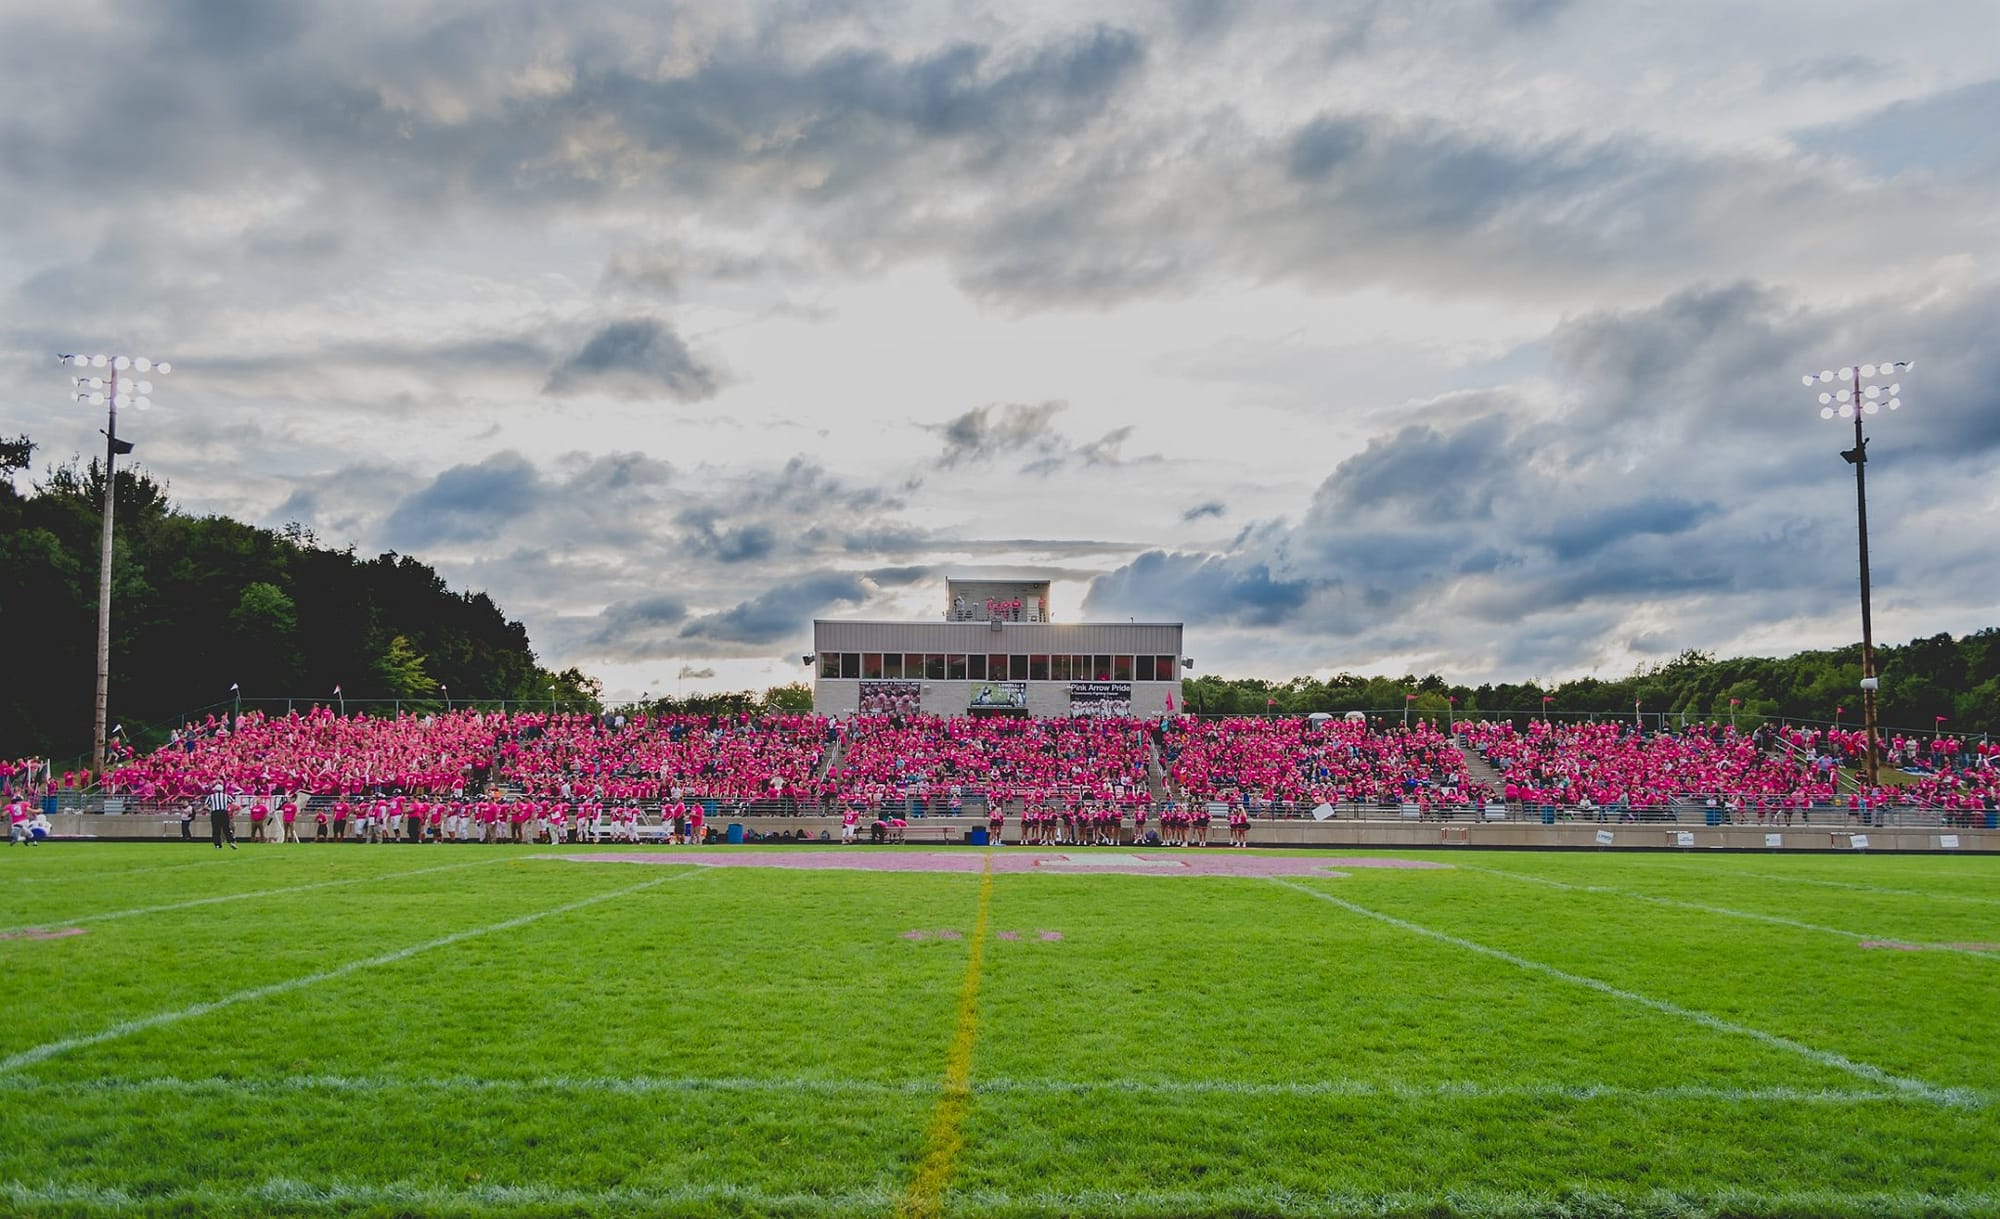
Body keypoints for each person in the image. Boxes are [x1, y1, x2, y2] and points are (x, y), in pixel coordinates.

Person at [206, 783, 236, 850]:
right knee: (226, 828)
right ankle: (231, 841)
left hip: (215, 813)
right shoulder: (226, 796)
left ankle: (217, 845)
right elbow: (233, 804)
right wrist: (231, 811)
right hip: (224, 812)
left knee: (216, 829)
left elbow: (206, 806)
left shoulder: (211, 796)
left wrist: (211, 809)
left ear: (215, 790)